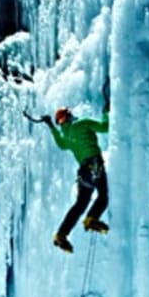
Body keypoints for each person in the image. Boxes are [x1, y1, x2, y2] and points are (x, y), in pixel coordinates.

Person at [37, 106, 110, 253]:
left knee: (80, 204)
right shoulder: (82, 123)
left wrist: (51, 126)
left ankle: (61, 234)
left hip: (83, 173)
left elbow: (60, 144)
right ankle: (91, 218)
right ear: (69, 116)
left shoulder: (67, 136)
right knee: (103, 195)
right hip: (94, 164)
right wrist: (105, 113)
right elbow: (105, 127)